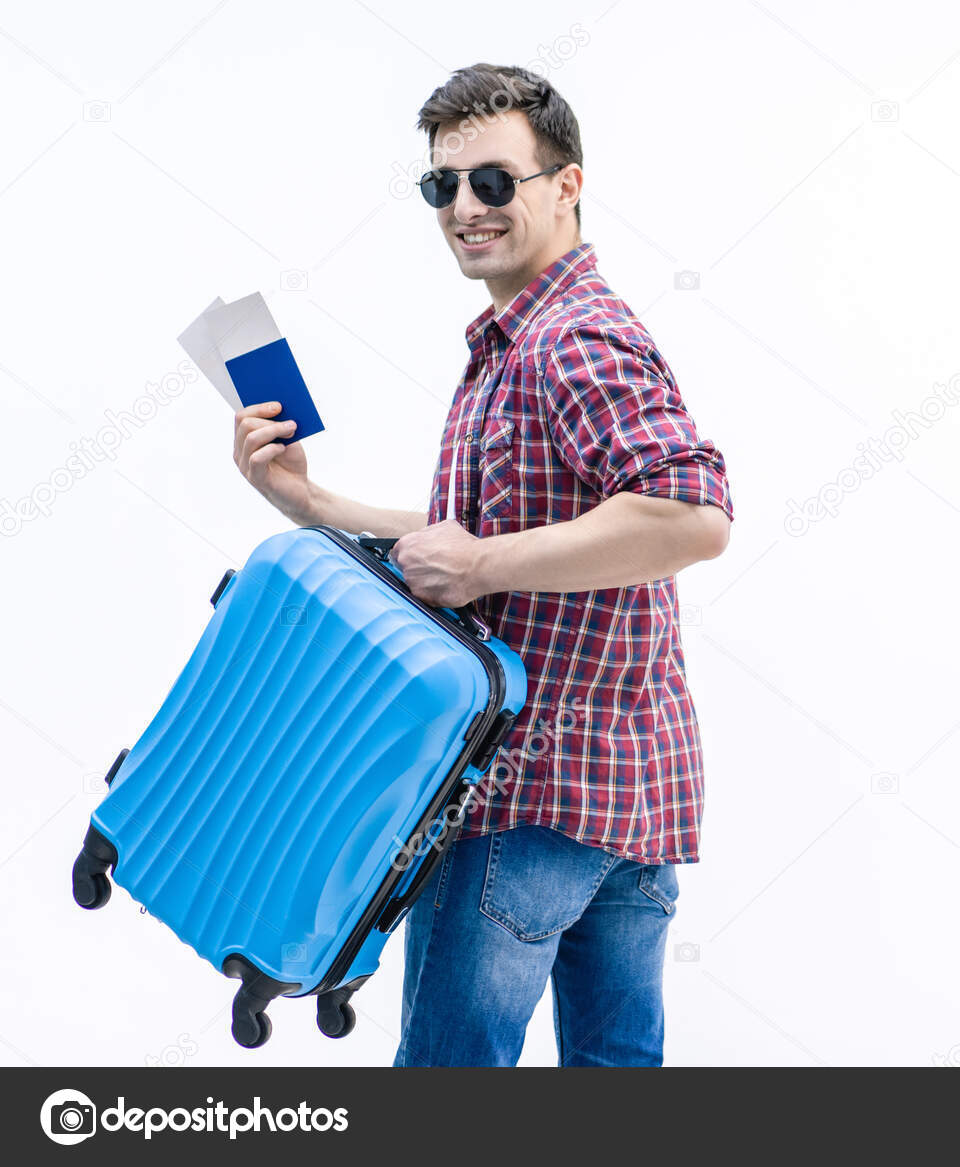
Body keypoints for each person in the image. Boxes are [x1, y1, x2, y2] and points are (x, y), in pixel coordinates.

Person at [230, 62, 733, 1066]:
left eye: (494, 181)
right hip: (632, 797)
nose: (466, 207)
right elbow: (487, 536)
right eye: (442, 186)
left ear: (566, 185)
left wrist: (484, 561)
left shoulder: (569, 338)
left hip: (528, 802)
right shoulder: (523, 340)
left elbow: (691, 511)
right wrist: (310, 501)